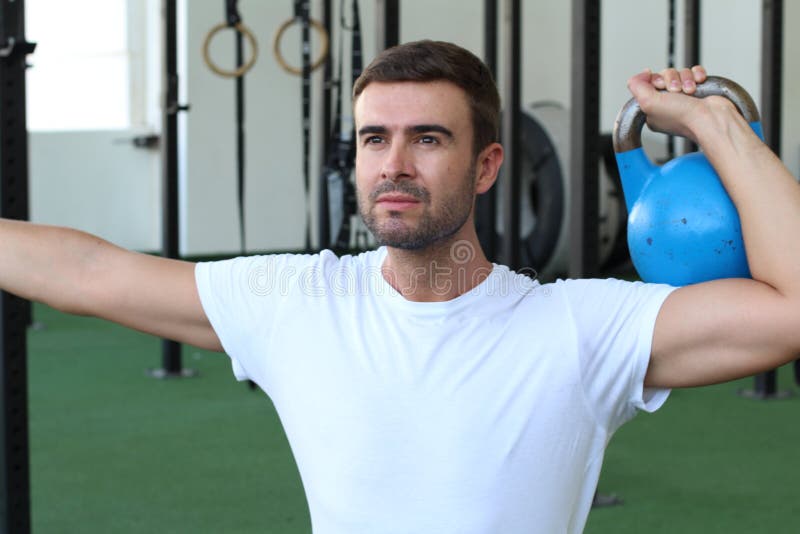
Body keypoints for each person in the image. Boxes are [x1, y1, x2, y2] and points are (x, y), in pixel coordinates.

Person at [6, 39, 800, 533]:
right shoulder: (296, 304)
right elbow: (87, 270)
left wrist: (716, 125)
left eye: (427, 139)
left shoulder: (580, 328)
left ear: (486, 166)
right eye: (374, 139)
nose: (394, 165)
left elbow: (790, 309)